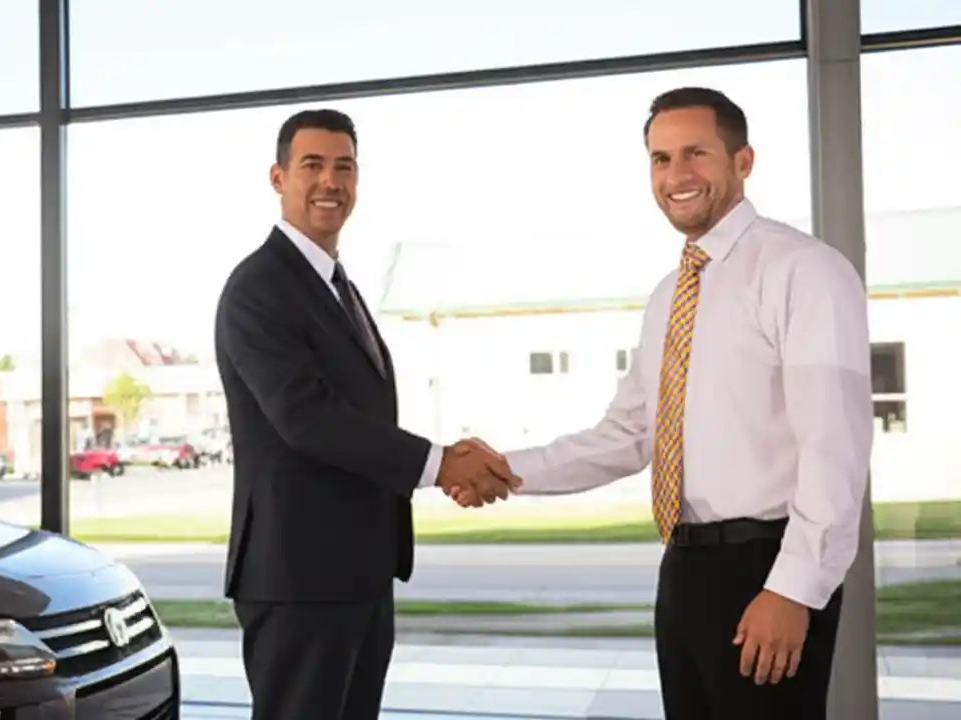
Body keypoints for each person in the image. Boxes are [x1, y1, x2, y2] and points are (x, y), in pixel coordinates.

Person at [451, 87, 872, 718]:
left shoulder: (803, 270)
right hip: (684, 567)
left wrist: (794, 590)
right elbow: (626, 435)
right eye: (660, 158)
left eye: (696, 153)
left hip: (767, 566)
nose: (676, 175)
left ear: (743, 161)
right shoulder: (669, 295)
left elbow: (833, 446)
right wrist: (504, 469)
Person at [213, 108, 522, 720]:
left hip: (356, 571)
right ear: (278, 178)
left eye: (344, 167)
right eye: (312, 166)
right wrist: (440, 463)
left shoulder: (337, 284)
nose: (331, 181)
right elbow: (305, 418)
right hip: (299, 580)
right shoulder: (258, 288)